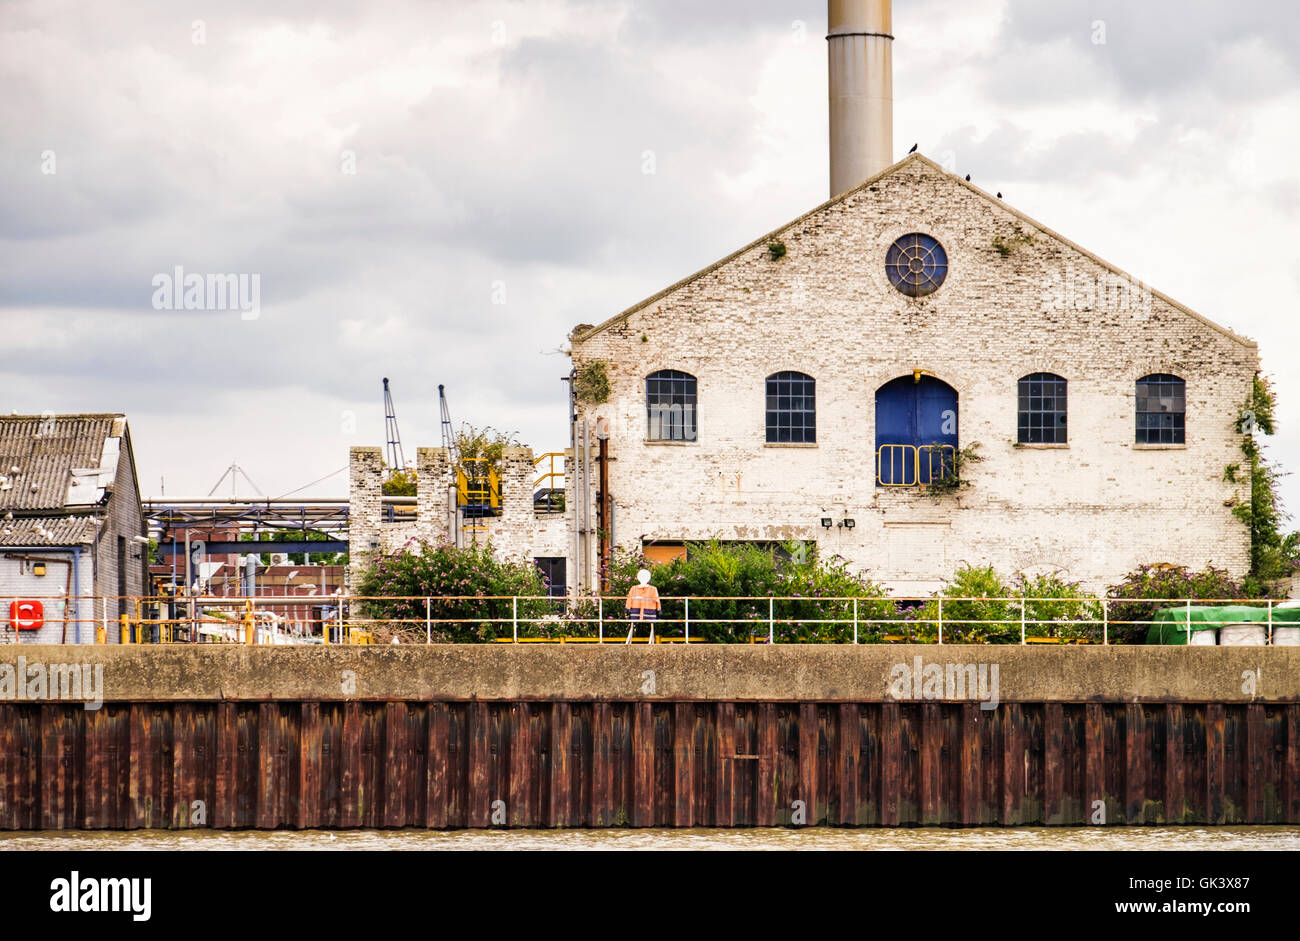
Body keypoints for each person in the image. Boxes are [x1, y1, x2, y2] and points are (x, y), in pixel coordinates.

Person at [625, 569, 661, 643]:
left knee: (651, 627)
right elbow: (629, 598)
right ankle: (629, 642)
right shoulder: (633, 588)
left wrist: (658, 609)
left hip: (649, 612)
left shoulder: (653, 589)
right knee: (632, 625)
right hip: (636, 611)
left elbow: (657, 599)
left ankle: (651, 642)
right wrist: (627, 608)